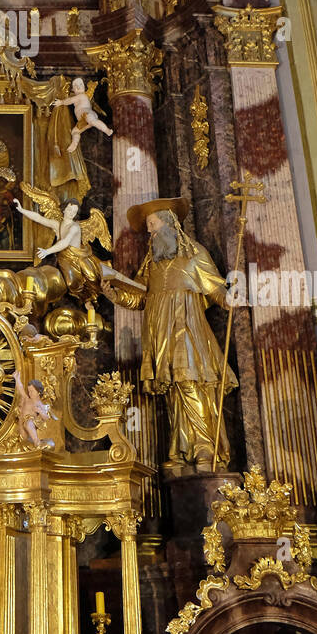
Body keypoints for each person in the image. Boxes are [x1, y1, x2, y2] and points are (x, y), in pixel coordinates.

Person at [121, 198, 236, 474]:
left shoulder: (195, 255)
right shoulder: (152, 264)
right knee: (173, 392)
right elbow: (138, 298)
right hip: (159, 336)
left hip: (188, 331)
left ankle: (205, 446)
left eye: (152, 225)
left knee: (191, 383)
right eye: (148, 227)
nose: (149, 232)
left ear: (169, 222)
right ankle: (182, 448)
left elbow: (215, 290)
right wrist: (114, 293)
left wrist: (229, 298)